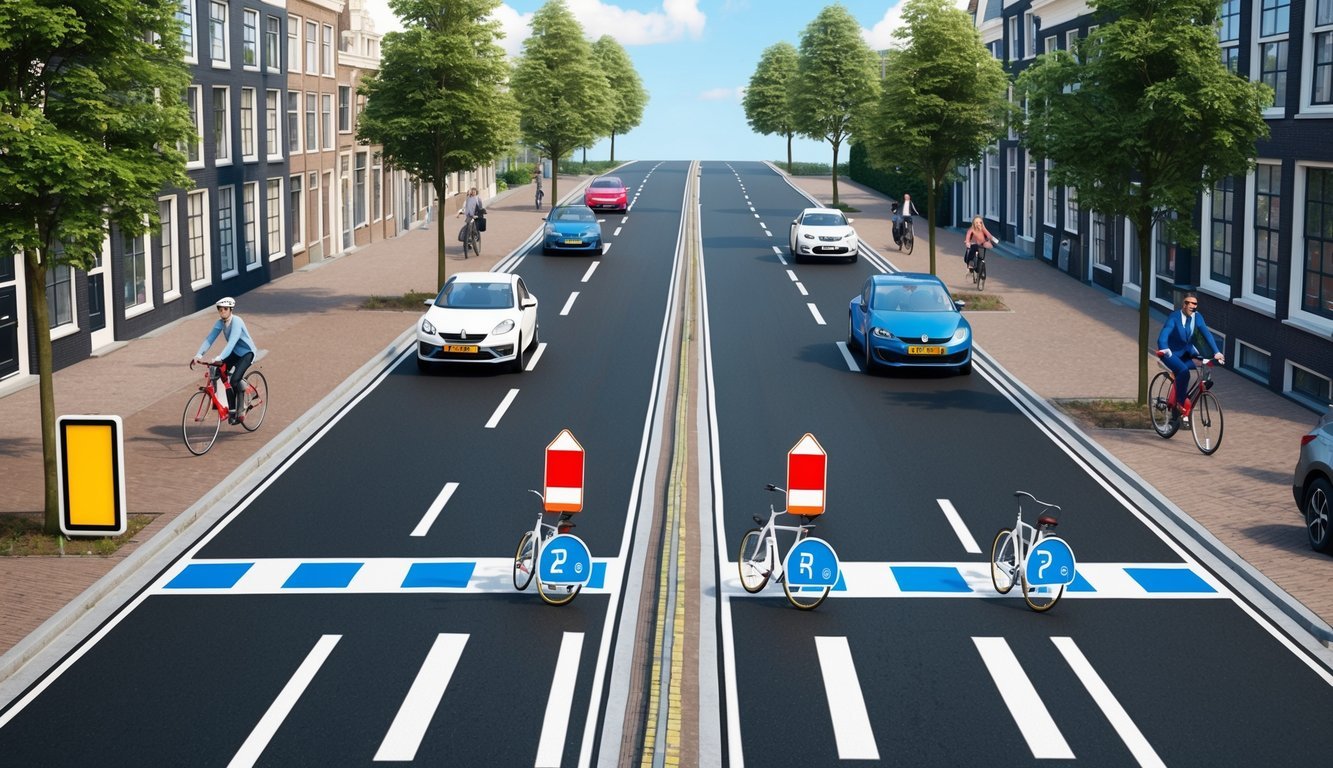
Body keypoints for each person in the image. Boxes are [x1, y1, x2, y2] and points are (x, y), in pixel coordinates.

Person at [1156, 292, 1225, 423]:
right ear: (1184, 304)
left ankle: (1188, 396)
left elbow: (1206, 333)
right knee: (1183, 372)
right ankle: (1180, 404)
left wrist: (1216, 352)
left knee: (1206, 365)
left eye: (1195, 304)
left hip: (1186, 351)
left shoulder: (1197, 317)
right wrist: (1164, 348)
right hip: (1170, 353)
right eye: (1190, 303)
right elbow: (1164, 335)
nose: (1193, 307)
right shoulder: (1174, 317)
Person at [192, 297, 257, 424]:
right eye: (220, 309)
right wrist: (198, 354)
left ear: (231, 309)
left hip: (247, 353)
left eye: (225, 309)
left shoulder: (237, 321)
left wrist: (220, 357)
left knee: (234, 380)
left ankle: (241, 408)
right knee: (219, 373)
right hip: (235, 353)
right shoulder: (220, 323)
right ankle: (231, 410)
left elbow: (232, 342)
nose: (222, 312)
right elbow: (209, 339)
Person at [456, 187, 485, 258]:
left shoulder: (478, 199)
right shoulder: (467, 199)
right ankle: (467, 240)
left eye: (474, 192)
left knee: (475, 225)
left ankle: (475, 235)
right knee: (467, 226)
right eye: (471, 192)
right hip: (469, 216)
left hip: (476, 215)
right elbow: (464, 207)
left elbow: (481, 208)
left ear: (476, 193)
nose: (472, 193)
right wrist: (460, 212)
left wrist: (480, 213)